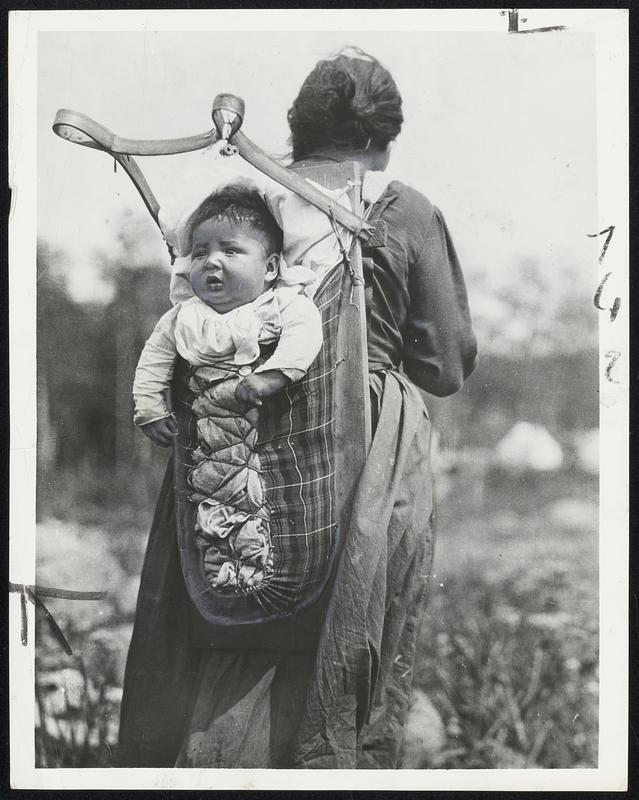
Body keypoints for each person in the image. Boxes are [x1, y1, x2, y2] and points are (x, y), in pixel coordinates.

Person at [118, 48, 477, 769]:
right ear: (382, 138)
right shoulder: (400, 210)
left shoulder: (242, 212)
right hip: (364, 448)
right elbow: (444, 366)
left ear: (295, 129)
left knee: (225, 608)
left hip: (231, 438)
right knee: (344, 626)